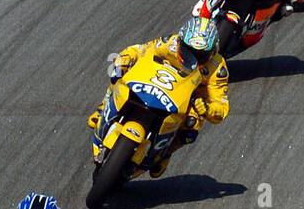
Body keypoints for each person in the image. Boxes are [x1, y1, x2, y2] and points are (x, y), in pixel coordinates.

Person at [90, 16, 229, 177]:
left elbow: (221, 105)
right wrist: (125, 58)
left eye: (201, 55)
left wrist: (207, 109)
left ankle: (165, 153)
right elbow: (141, 50)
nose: (194, 58)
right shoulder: (170, 42)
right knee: (120, 74)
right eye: (188, 50)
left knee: (192, 127)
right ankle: (102, 109)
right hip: (155, 81)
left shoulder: (217, 68)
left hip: (188, 97)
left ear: (213, 52)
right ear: (181, 42)